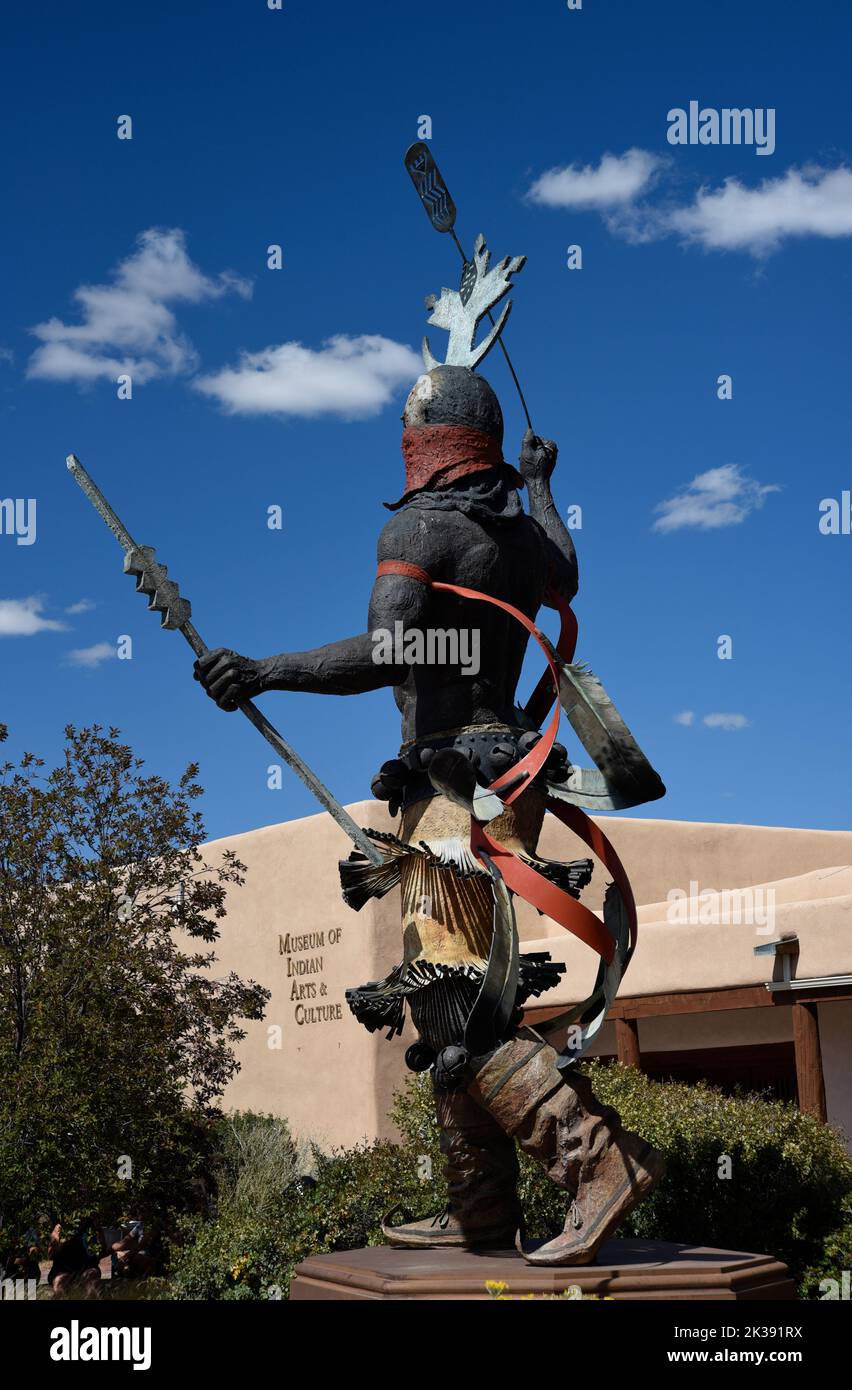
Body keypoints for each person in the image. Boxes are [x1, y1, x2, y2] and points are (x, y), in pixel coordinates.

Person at [195, 364, 665, 1265]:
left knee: (454, 995)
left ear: (422, 445)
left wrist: (265, 671)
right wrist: (541, 484)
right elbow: (567, 577)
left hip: (457, 787)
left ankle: (600, 1163)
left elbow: (388, 648)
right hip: (507, 770)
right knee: (443, 995)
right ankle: (481, 1210)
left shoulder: (418, 527)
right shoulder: (523, 533)